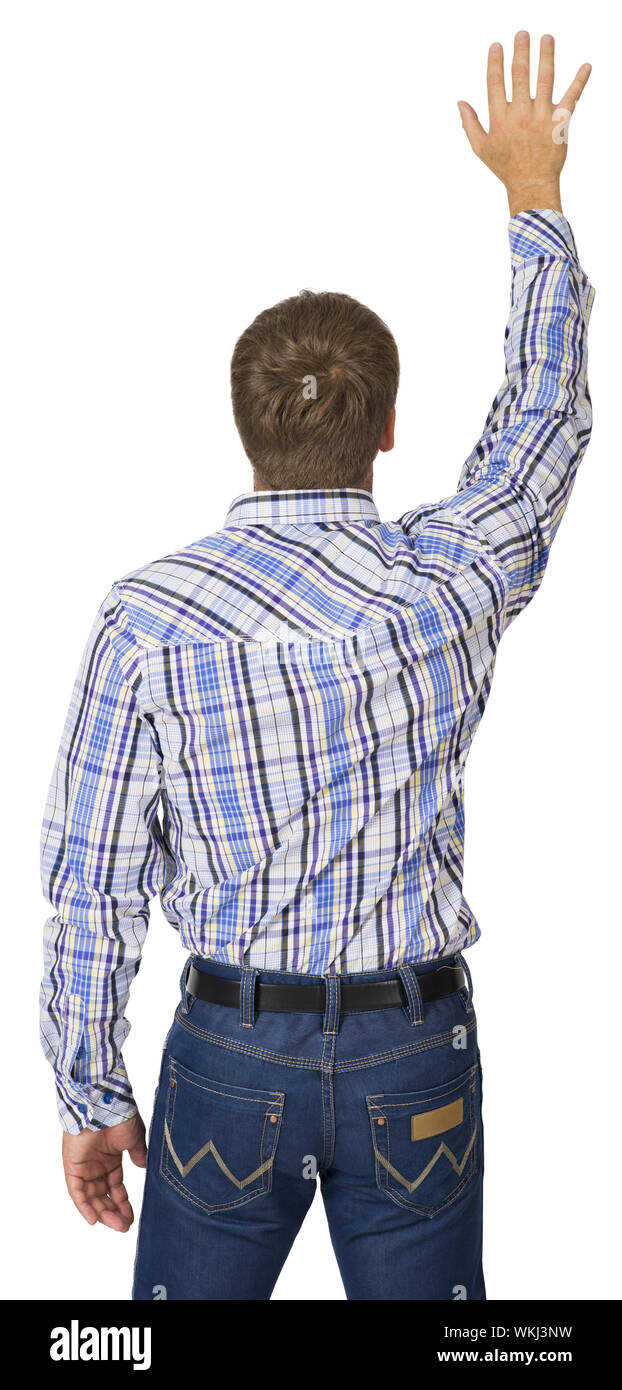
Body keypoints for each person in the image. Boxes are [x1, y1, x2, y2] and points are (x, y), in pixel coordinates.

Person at [40, 31, 594, 1300]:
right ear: (390, 428)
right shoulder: (449, 581)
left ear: (242, 432)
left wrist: (90, 1089)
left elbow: (94, 885)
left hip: (231, 1049)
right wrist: (533, 196)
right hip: (416, 1050)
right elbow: (546, 418)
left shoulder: (149, 617)